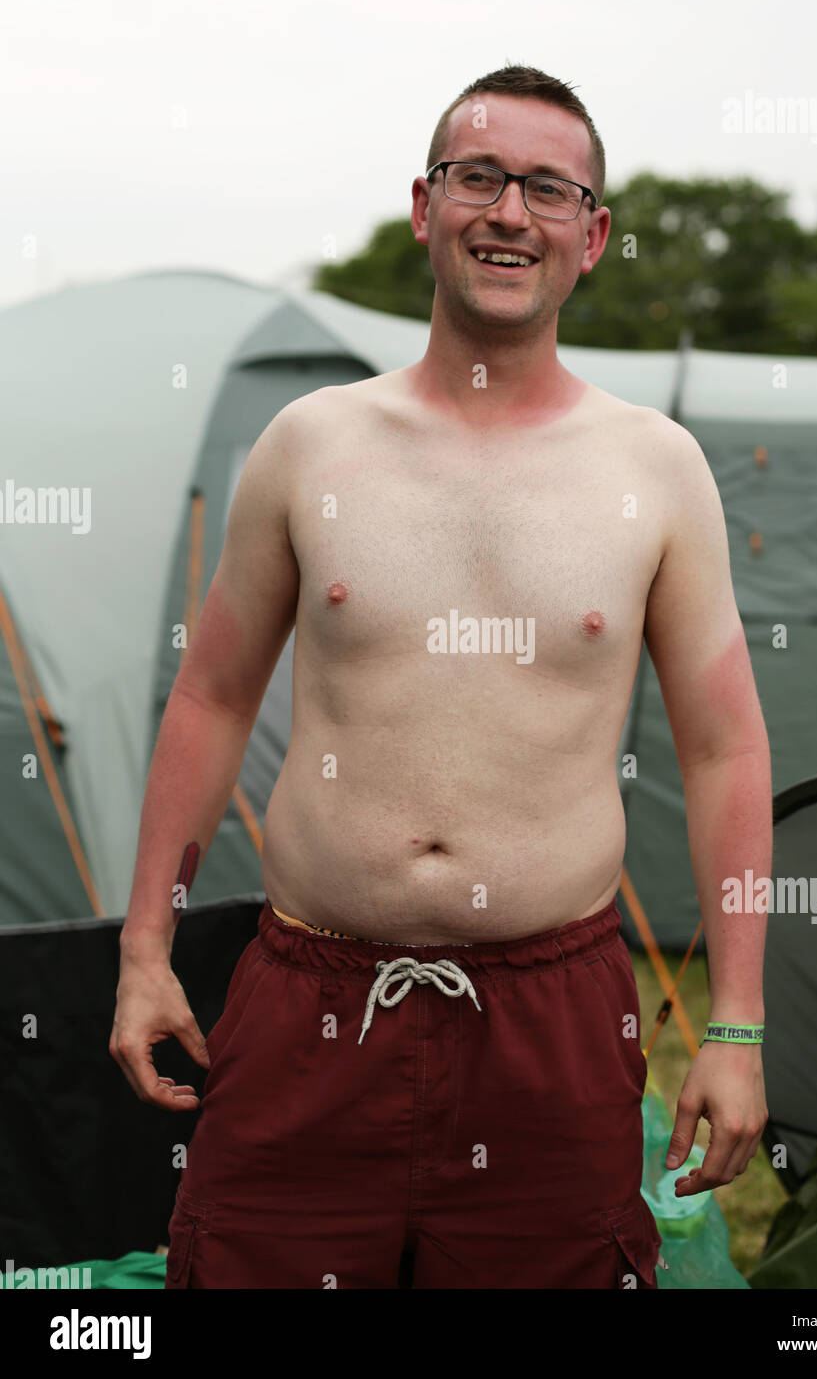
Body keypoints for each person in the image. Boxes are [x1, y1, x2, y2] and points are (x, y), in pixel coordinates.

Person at [110, 63, 771, 1289]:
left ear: (593, 235)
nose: (509, 212)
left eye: (545, 188)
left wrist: (732, 1021)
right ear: (425, 207)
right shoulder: (311, 443)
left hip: (551, 1021)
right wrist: (146, 949)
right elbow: (208, 697)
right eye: (478, 178)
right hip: (311, 1003)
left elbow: (724, 745)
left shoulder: (656, 468)